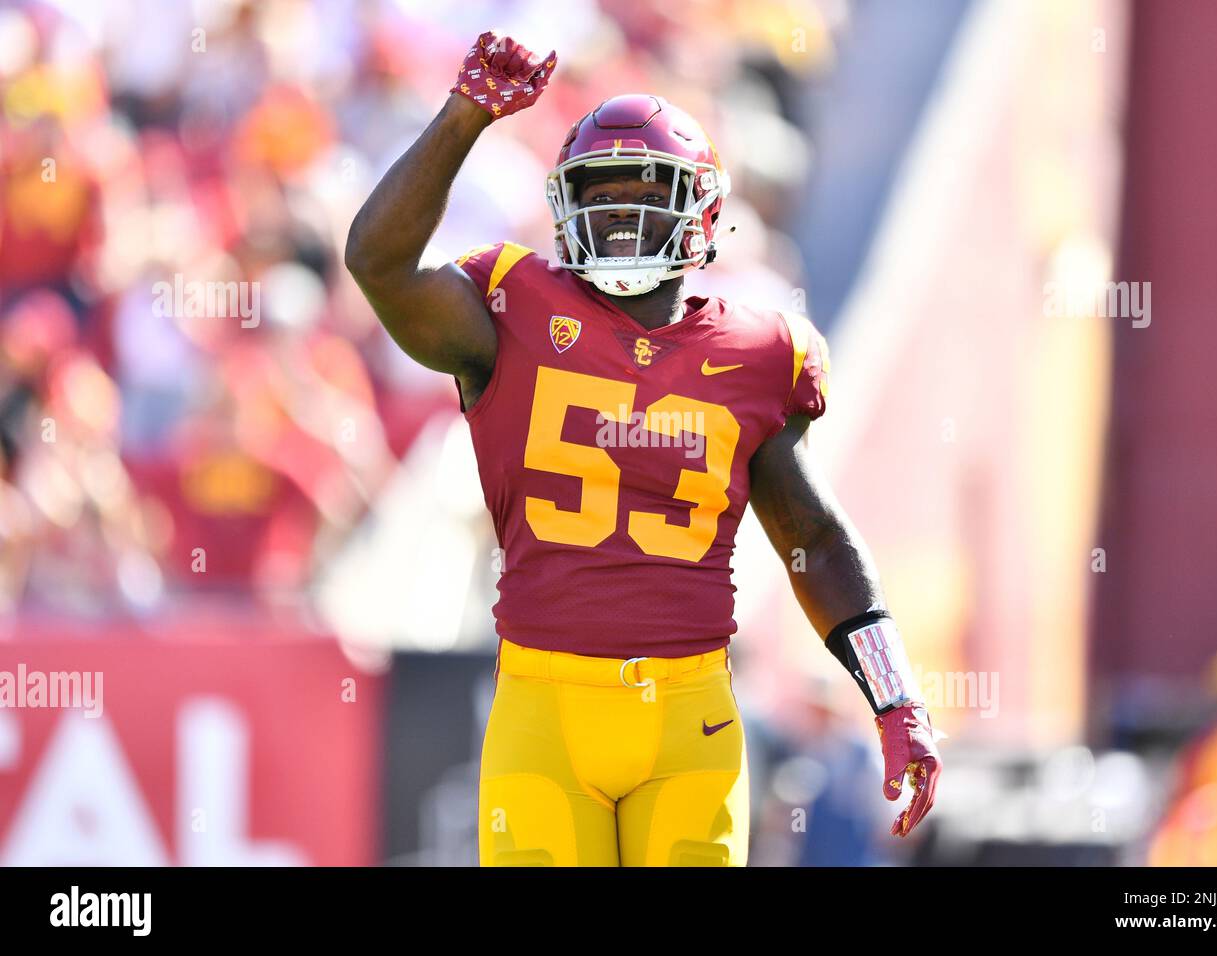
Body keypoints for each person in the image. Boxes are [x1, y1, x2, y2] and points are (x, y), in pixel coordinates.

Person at [345, 30, 941, 866]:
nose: (621, 215)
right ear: (565, 204)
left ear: (698, 212)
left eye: (645, 192)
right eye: (602, 192)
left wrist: (894, 696)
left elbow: (812, 538)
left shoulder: (758, 351)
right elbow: (377, 260)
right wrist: (464, 117)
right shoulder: (508, 308)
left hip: (687, 716)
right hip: (542, 707)